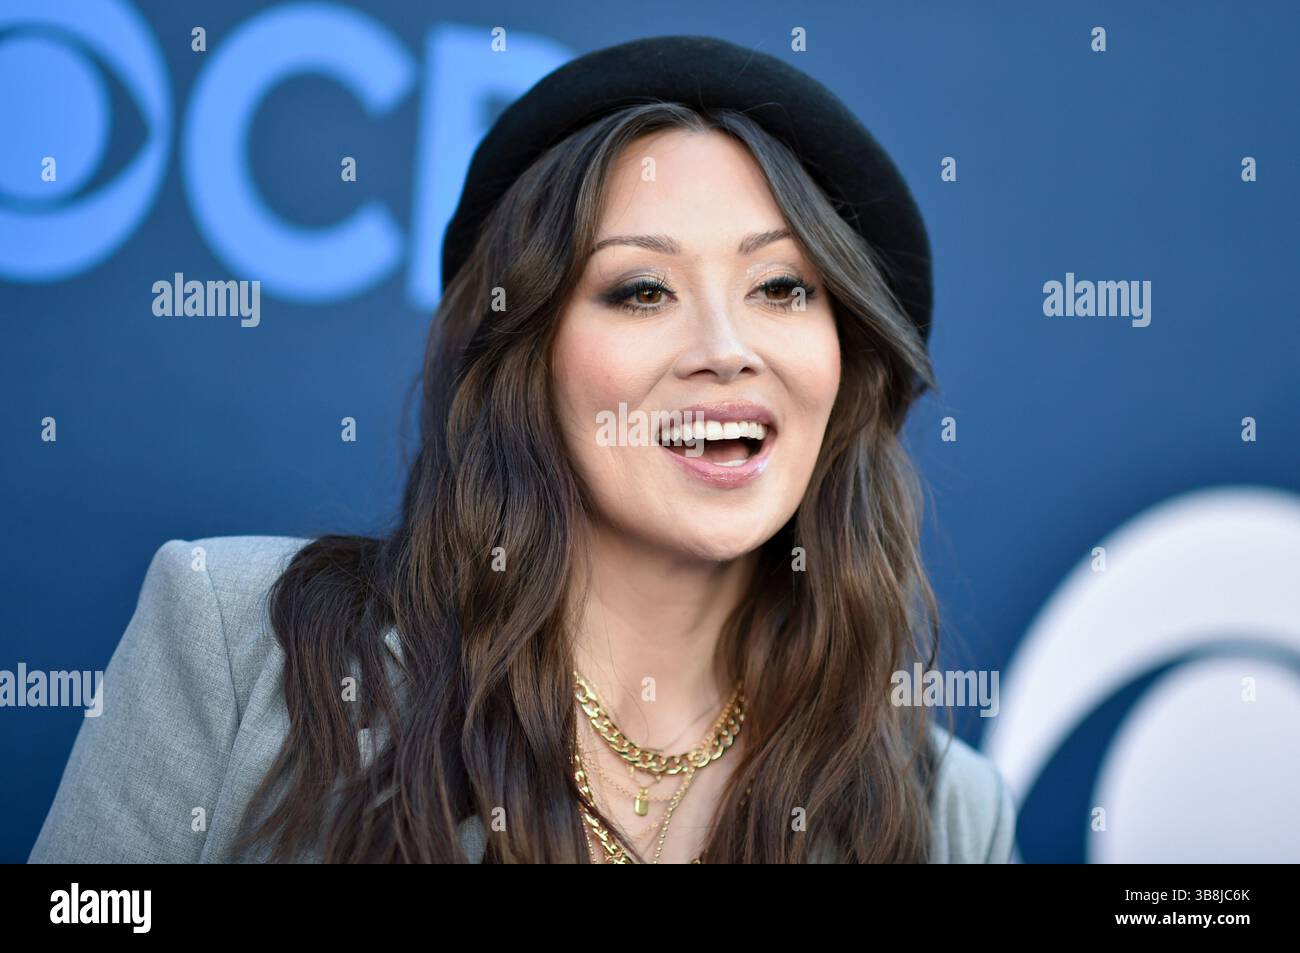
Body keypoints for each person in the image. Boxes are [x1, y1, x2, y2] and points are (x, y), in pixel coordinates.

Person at [29, 34, 1016, 864]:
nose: (726, 349)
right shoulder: (240, 644)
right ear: (525, 354)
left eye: (783, 287)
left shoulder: (949, 813)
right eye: (641, 289)